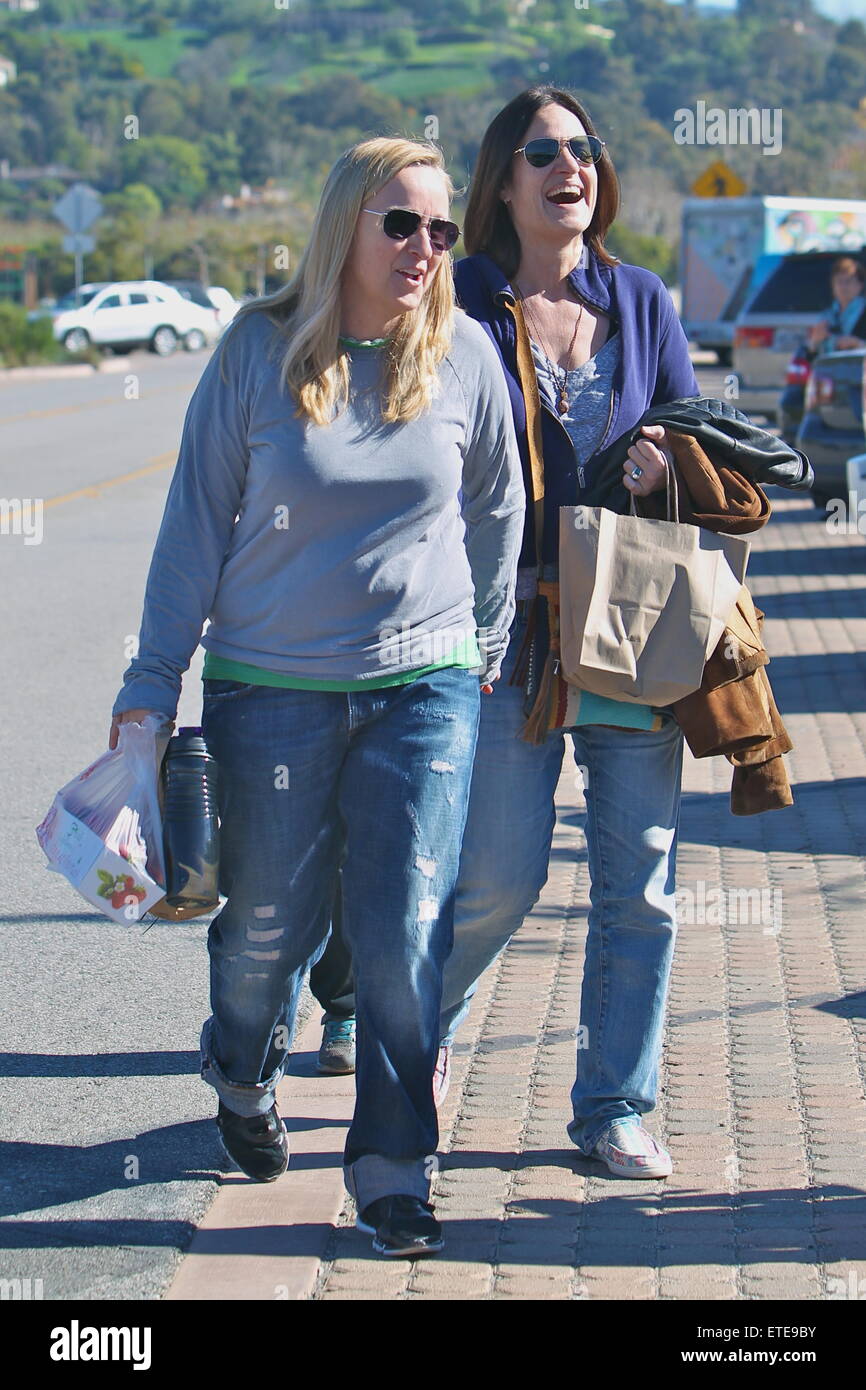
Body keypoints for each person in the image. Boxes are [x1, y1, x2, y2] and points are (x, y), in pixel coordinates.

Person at [108, 136, 525, 1257]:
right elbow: (192, 527)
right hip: (271, 690)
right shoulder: (257, 350)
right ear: (345, 225)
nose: (426, 249)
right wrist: (149, 687)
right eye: (403, 225)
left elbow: (499, 502)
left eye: (442, 231)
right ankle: (241, 1067)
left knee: (400, 930)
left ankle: (394, 1163)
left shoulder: (468, 355)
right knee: (265, 934)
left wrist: (481, 639)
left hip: (423, 689)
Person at [435, 86, 702, 1177]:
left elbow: (701, 437)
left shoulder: (639, 299)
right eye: (541, 151)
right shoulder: (457, 300)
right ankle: (412, 1026)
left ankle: (612, 1107)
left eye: (583, 149)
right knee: (497, 876)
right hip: (502, 628)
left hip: (630, 619)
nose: (568, 166)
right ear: (501, 180)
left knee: (638, 882)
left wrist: (670, 465)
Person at [806, 255, 866, 357]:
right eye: (839, 281)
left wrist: (858, 344)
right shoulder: (827, 316)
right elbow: (811, 359)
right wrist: (814, 342)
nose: (843, 286)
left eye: (848, 281)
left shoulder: (863, 312)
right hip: (831, 371)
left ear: (860, 285)